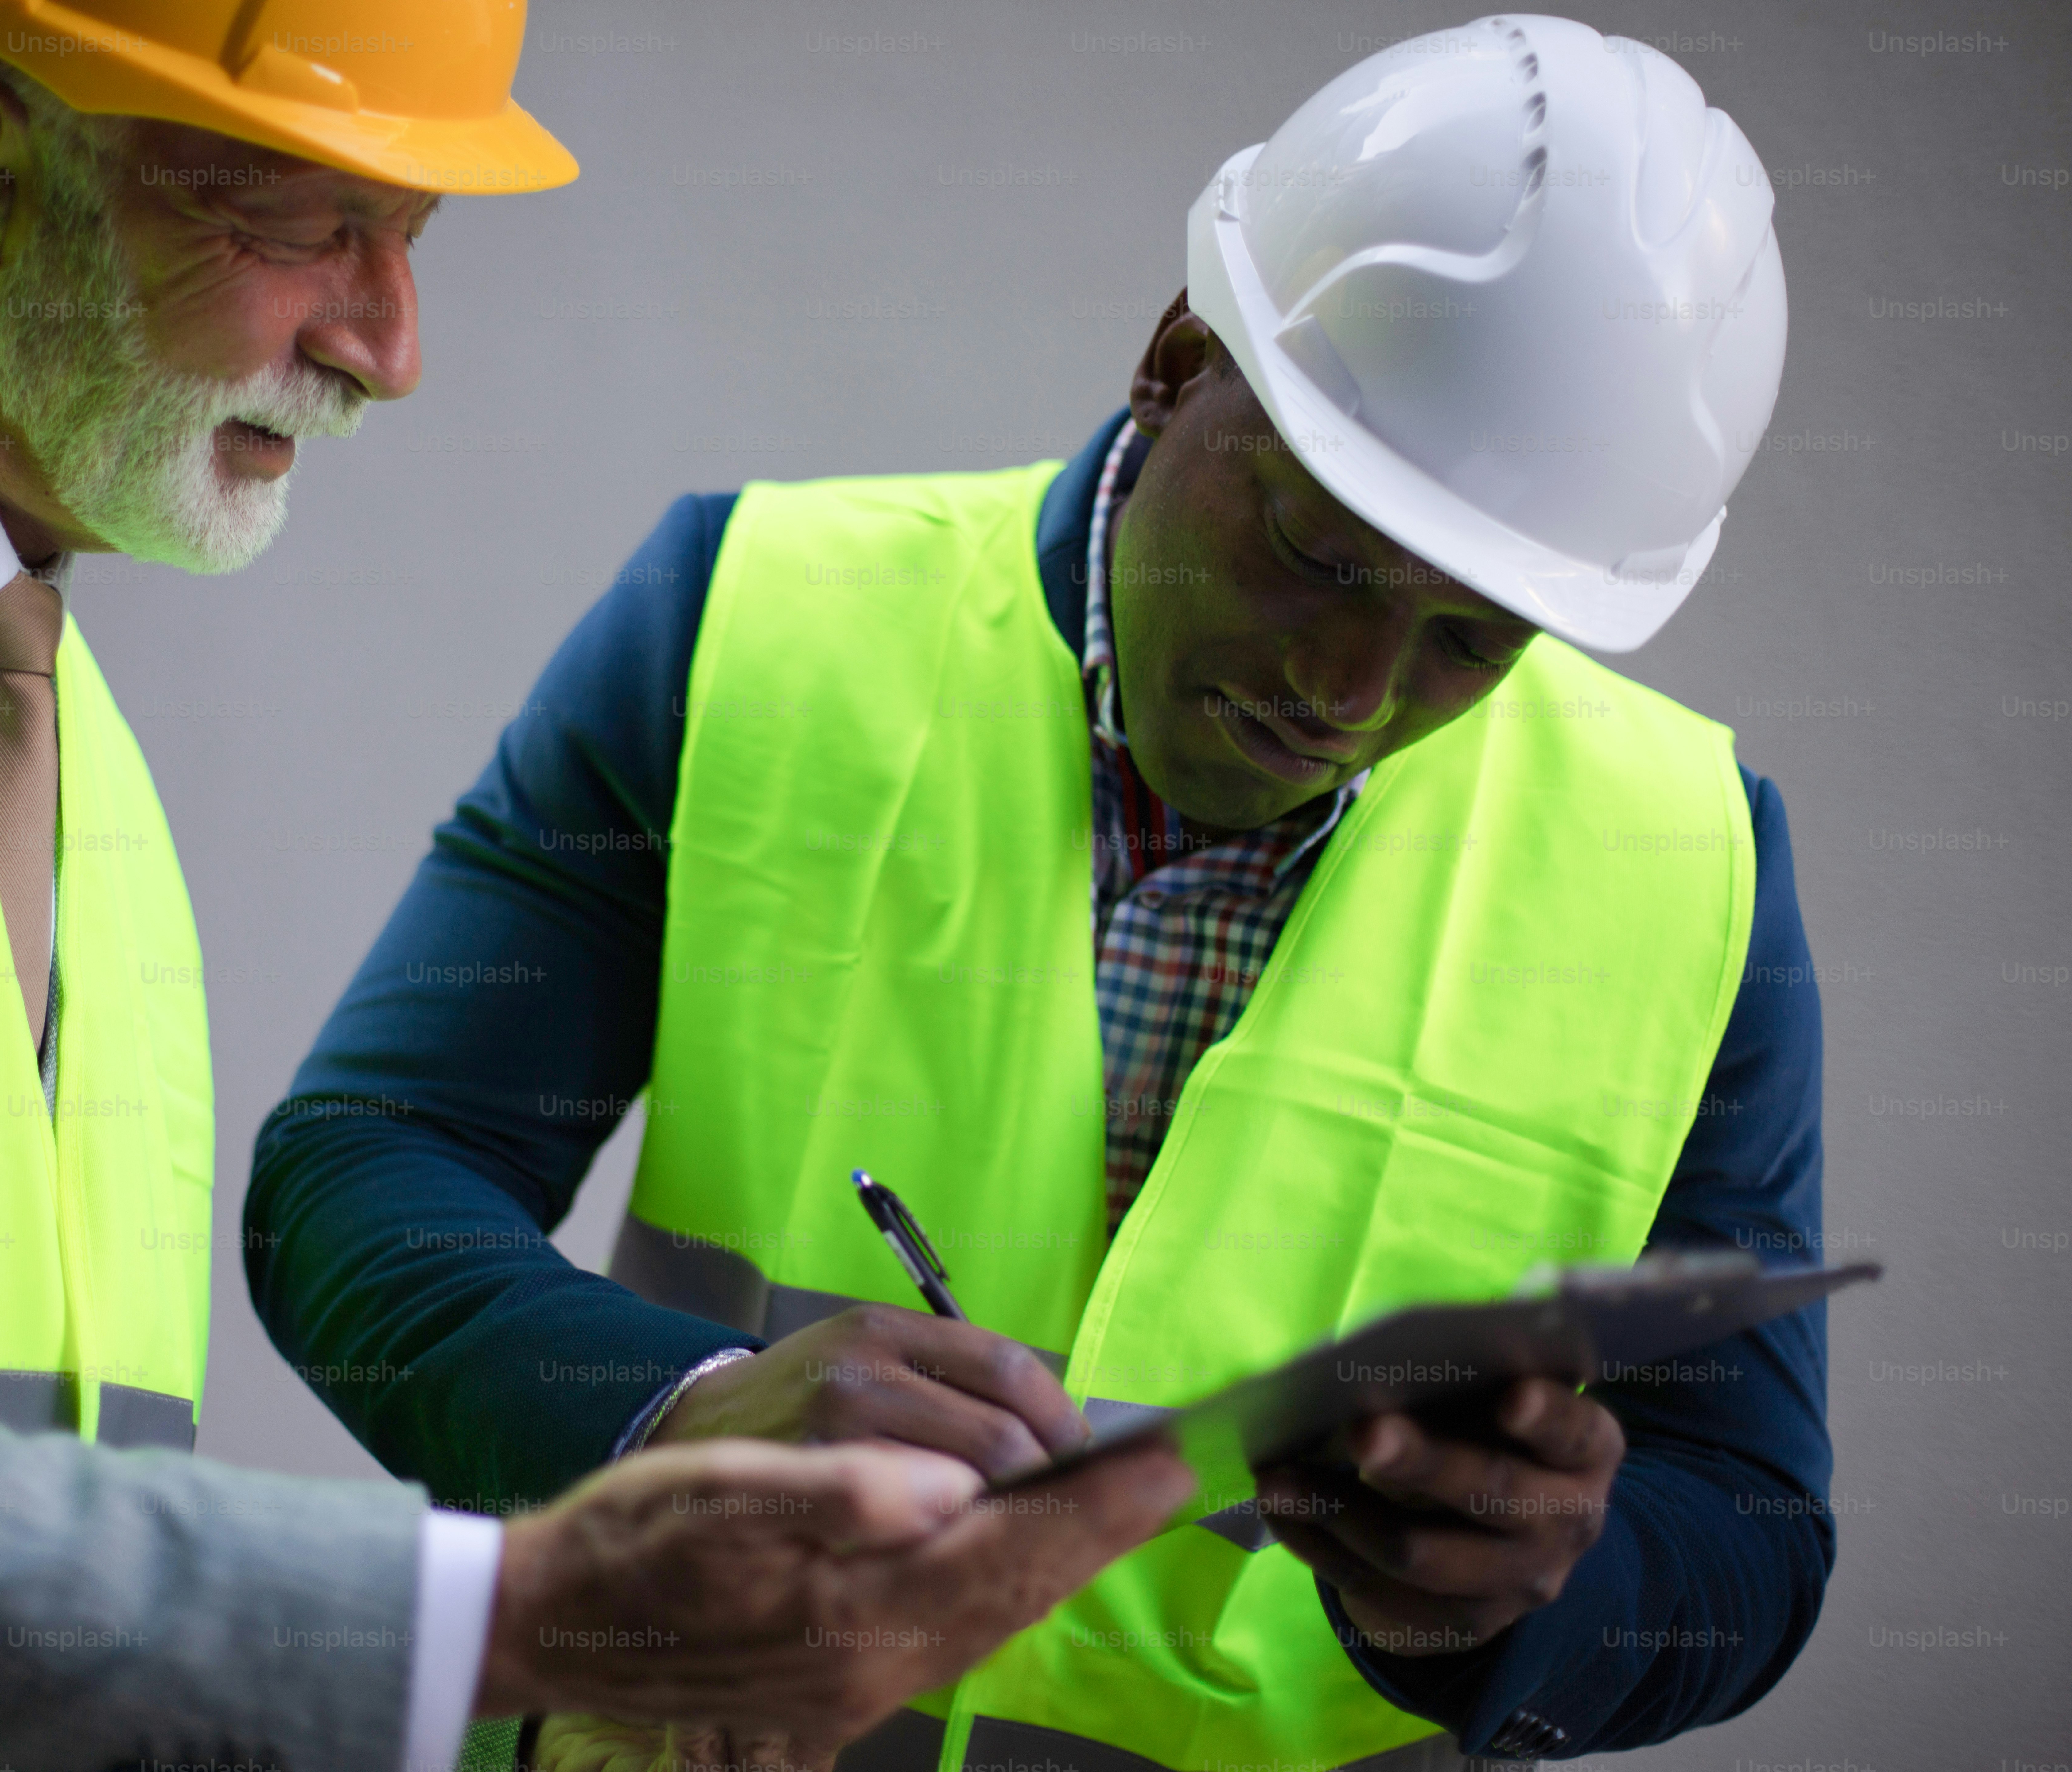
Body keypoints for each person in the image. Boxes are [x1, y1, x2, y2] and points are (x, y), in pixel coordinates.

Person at [0, 5, 1195, 1770]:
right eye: (318, 227)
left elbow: (38, 1551)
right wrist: (514, 1617)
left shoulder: (47, 715)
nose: (388, 348)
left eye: (408, 244)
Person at [252, 17, 1832, 1770]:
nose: (1350, 686)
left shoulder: (1689, 858)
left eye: (1471, 636)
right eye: (1316, 554)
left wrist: (1535, 1587)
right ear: (1173, 357)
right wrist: (681, 1412)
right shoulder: (749, 623)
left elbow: (1749, 1532)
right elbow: (362, 1171)